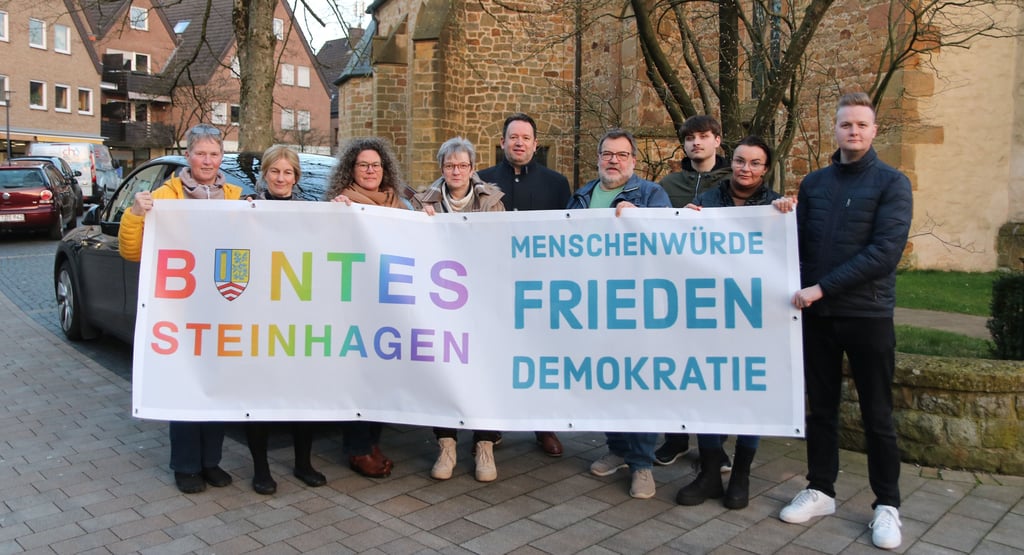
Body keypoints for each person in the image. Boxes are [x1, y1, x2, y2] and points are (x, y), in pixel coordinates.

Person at [773, 92, 912, 550]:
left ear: (873, 132)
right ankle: (821, 489)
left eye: (861, 125)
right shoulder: (815, 183)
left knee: (877, 416)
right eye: (845, 125)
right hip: (820, 318)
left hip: (868, 314)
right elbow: (796, 245)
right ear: (834, 130)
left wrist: (822, 287)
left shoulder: (893, 183)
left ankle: (887, 505)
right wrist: (777, 216)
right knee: (822, 410)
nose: (853, 131)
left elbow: (883, 254)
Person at [118, 123, 240, 494]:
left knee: (216, 385)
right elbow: (132, 251)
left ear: (222, 158)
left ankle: (211, 461)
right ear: (188, 156)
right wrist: (135, 214)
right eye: (200, 153)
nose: (207, 160)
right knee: (185, 384)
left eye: (214, 154)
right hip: (180, 307)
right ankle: (186, 464)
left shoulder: (235, 198)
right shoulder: (164, 196)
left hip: (221, 305)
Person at [675, 135, 781, 510]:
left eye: (754, 163)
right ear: (730, 161)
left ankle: (741, 474)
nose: (745, 169)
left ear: (765, 169)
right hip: (711, 311)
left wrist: (787, 217)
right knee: (707, 387)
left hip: (754, 313)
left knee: (749, 391)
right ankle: (708, 472)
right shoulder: (708, 200)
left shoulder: (774, 206)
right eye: (740, 161)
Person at [574, 128, 670, 499]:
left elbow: (668, 238)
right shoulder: (582, 195)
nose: (613, 160)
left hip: (636, 304)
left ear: (633, 161)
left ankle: (643, 464)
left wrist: (641, 217)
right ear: (598, 158)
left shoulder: (650, 194)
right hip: (592, 303)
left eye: (621, 154)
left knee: (639, 382)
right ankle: (617, 448)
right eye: (607, 154)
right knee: (606, 379)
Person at [477, 113, 570, 457]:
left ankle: (543, 425)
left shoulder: (557, 183)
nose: (519, 142)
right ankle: (490, 426)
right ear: (502, 143)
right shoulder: (480, 180)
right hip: (492, 285)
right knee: (493, 356)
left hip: (538, 287)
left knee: (538, 356)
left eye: (525, 137)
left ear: (534, 143)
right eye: (512, 137)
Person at [412, 137, 505, 482]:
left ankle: (484, 444)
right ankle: (447, 444)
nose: (456, 171)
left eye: (462, 165)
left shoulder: (493, 201)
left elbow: (502, 249)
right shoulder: (423, 202)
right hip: (441, 303)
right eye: (449, 165)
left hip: (481, 302)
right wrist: (420, 223)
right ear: (441, 169)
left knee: (484, 373)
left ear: (472, 168)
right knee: (445, 373)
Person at [324, 137, 412, 478]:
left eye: (376, 164)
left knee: (381, 377)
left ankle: (372, 441)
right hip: (353, 306)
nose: (371, 170)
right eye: (363, 165)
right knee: (358, 377)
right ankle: (358, 449)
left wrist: (431, 221)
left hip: (388, 305)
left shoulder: (399, 204)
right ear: (351, 169)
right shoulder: (341, 203)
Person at [244, 145, 327, 495]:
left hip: (298, 314)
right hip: (259, 314)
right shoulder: (246, 208)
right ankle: (260, 468)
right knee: (259, 394)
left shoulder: (310, 213)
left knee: (302, 393)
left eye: (288, 172)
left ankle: (303, 462)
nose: (281, 178)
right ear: (265, 174)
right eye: (275, 172)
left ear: (296, 176)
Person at [654, 115, 732, 468]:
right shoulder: (668, 184)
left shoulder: (734, 180)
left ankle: (714, 445)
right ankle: (676, 439)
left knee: (713, 371)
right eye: (690, 138)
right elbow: (652, 225)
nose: (696, 143)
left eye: (704, 136)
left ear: (718, 140)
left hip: (719, 288)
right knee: (675, 367)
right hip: (675, 289)